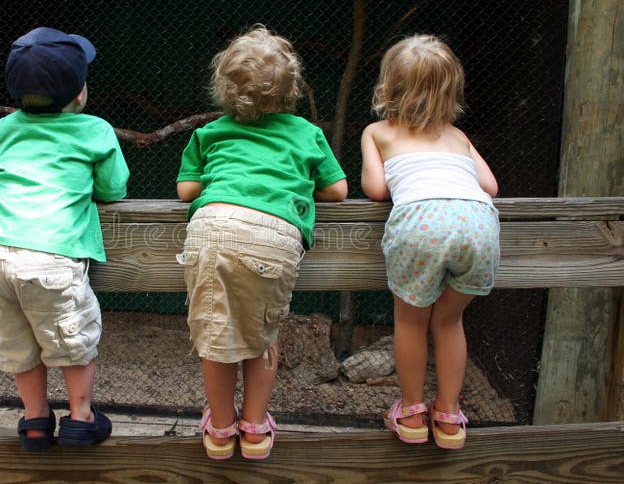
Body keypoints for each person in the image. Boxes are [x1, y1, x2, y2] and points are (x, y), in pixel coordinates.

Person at [176, 25, 348, 460]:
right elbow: (339, 191)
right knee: (263, 334)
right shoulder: (306, 133)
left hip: (214, 228)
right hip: (272, 238)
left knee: (217, 337)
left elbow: (186, 191)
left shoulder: (210, 133)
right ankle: (253, 428)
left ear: (225, 88)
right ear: (291, 89)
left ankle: (219, 428)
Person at [0, 27, 130, 450]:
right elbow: (113, 190)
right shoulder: (94, 132)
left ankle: (35, 421)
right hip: (50, 259)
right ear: (79, 94)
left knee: (18, 343)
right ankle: (80, 419)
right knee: (70, 339)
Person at [360, 34, 499, 450]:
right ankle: (449, 415)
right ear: (450, 91)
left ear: (387, 89)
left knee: (411, 321)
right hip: (478, 227)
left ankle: (413, 410)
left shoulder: (379, 132)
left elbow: (375, 190)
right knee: (449, 320)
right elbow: (489, 185)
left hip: (420, 225)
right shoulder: (458, 137)